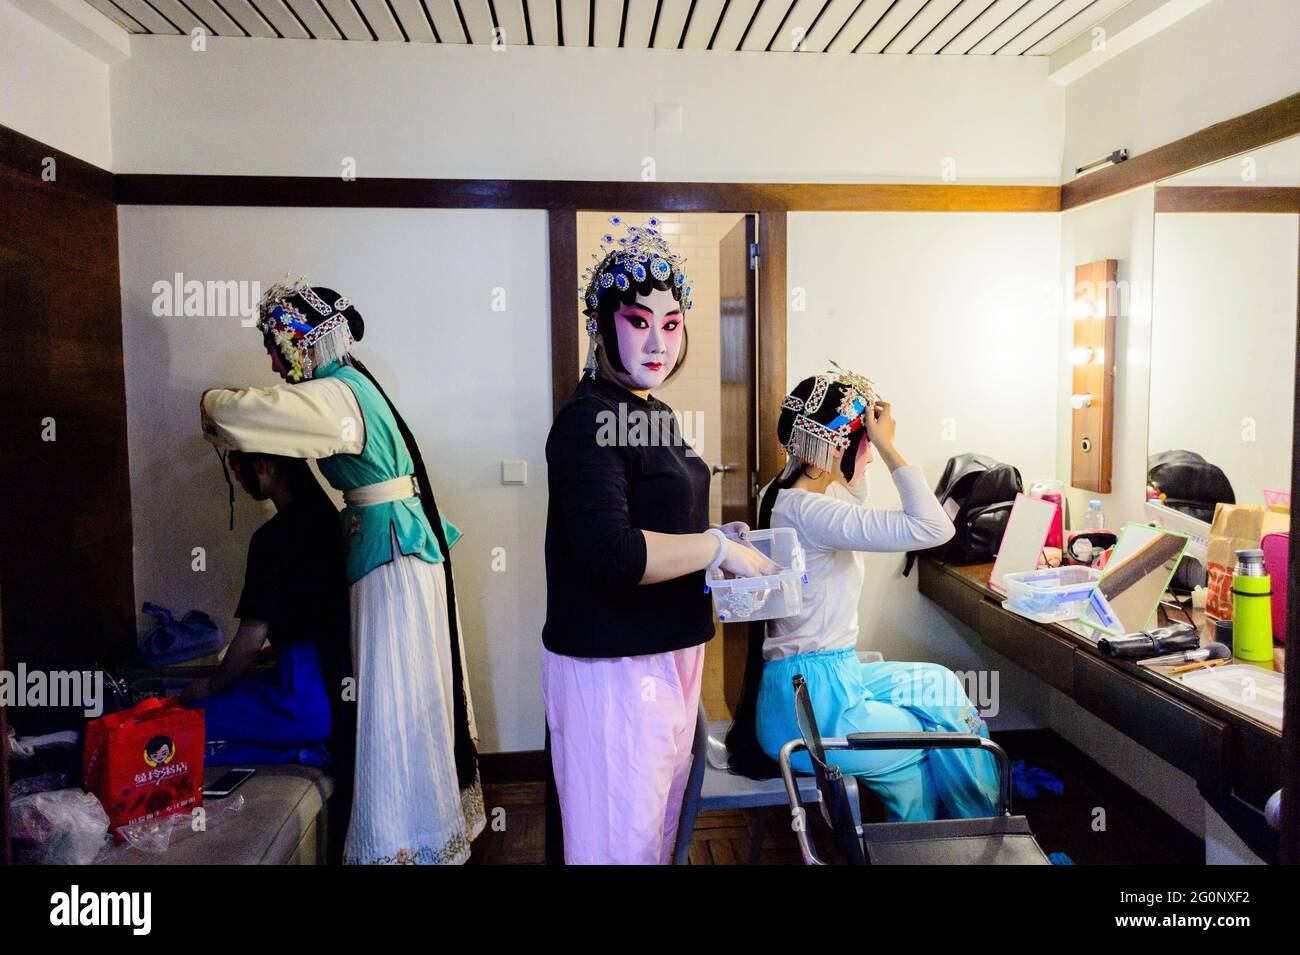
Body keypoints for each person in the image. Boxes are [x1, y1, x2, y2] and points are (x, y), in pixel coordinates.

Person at [200, 277, 482, 865]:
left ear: (306, 342)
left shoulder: (334, 394)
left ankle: (406, 840)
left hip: (393, 554)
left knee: (395, 695)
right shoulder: (351, 387)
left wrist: (209, 400)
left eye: (278, 345)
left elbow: (246, 415)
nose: (274, 362)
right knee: (405, 692)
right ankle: (422, 833)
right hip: (397, 547)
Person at [542, 217, 780, 864]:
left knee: (653, 836)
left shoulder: (651, 411)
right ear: (599, 324)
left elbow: (654, 517)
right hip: (615, 665)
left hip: (667, 652)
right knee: (618, 843)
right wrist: (716, 550)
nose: (657, 340)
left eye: (671, 323)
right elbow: (612, 554)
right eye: (638, 321)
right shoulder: (588, 421)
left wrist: (711, 534)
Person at [726, 366, 1001, 822]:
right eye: (865, 444)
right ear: (833, 448)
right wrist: (891, 447)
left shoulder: (786, 491)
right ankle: (962, 838)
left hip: (819, 680)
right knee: (933, 739)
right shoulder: (812, 512)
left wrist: (861, 445)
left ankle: (973, 830)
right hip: (811, 706)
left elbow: (855, 496)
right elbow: (934, 528)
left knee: (940, 686)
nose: (871, 455)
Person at [181, 450, 349, 775]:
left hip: (304, 705)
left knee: (190, 710)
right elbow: (318, 615)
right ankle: (303, 749)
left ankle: (303, 751)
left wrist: (211, 686)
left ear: (263, 466)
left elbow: (250, 640)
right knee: (243, 690)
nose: (239, 482)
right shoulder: (331, 520)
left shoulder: (273, 537)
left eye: (237, 471)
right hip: (336, 693)